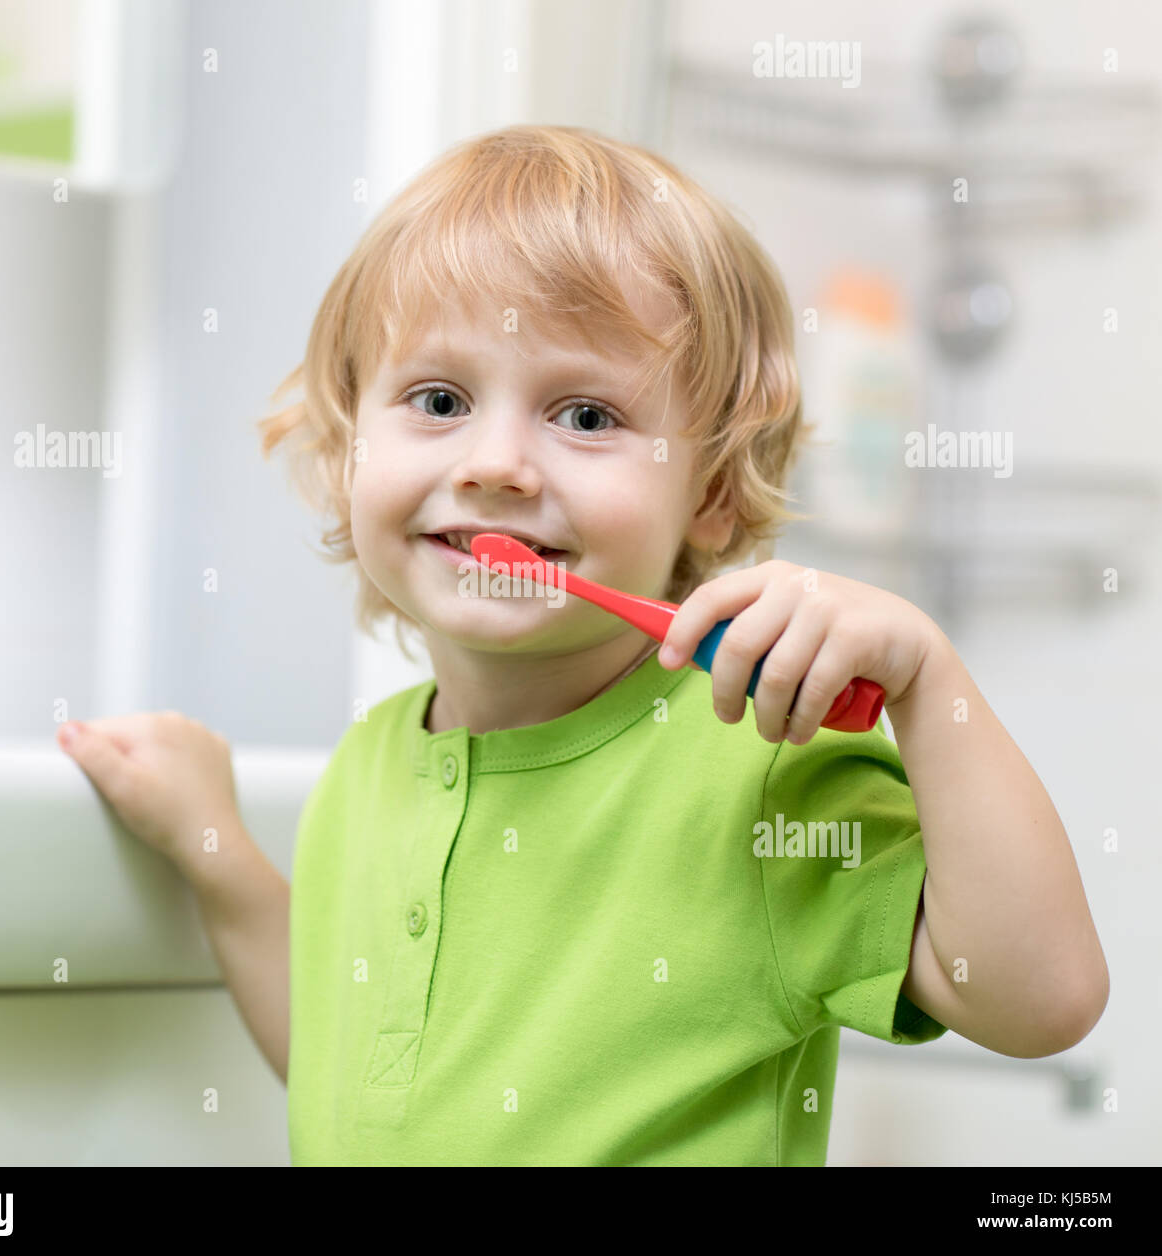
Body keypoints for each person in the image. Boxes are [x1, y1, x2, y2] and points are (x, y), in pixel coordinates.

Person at [58, 124, 1109, 1166]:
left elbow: (1039, 999)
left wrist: (930, 684)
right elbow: (338, 1077)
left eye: (586, 414)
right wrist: (219, 853)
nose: (497, 462)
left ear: (705, 492)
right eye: (438, 399)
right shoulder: (368, 765)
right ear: (348, 450)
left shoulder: (759, 772)